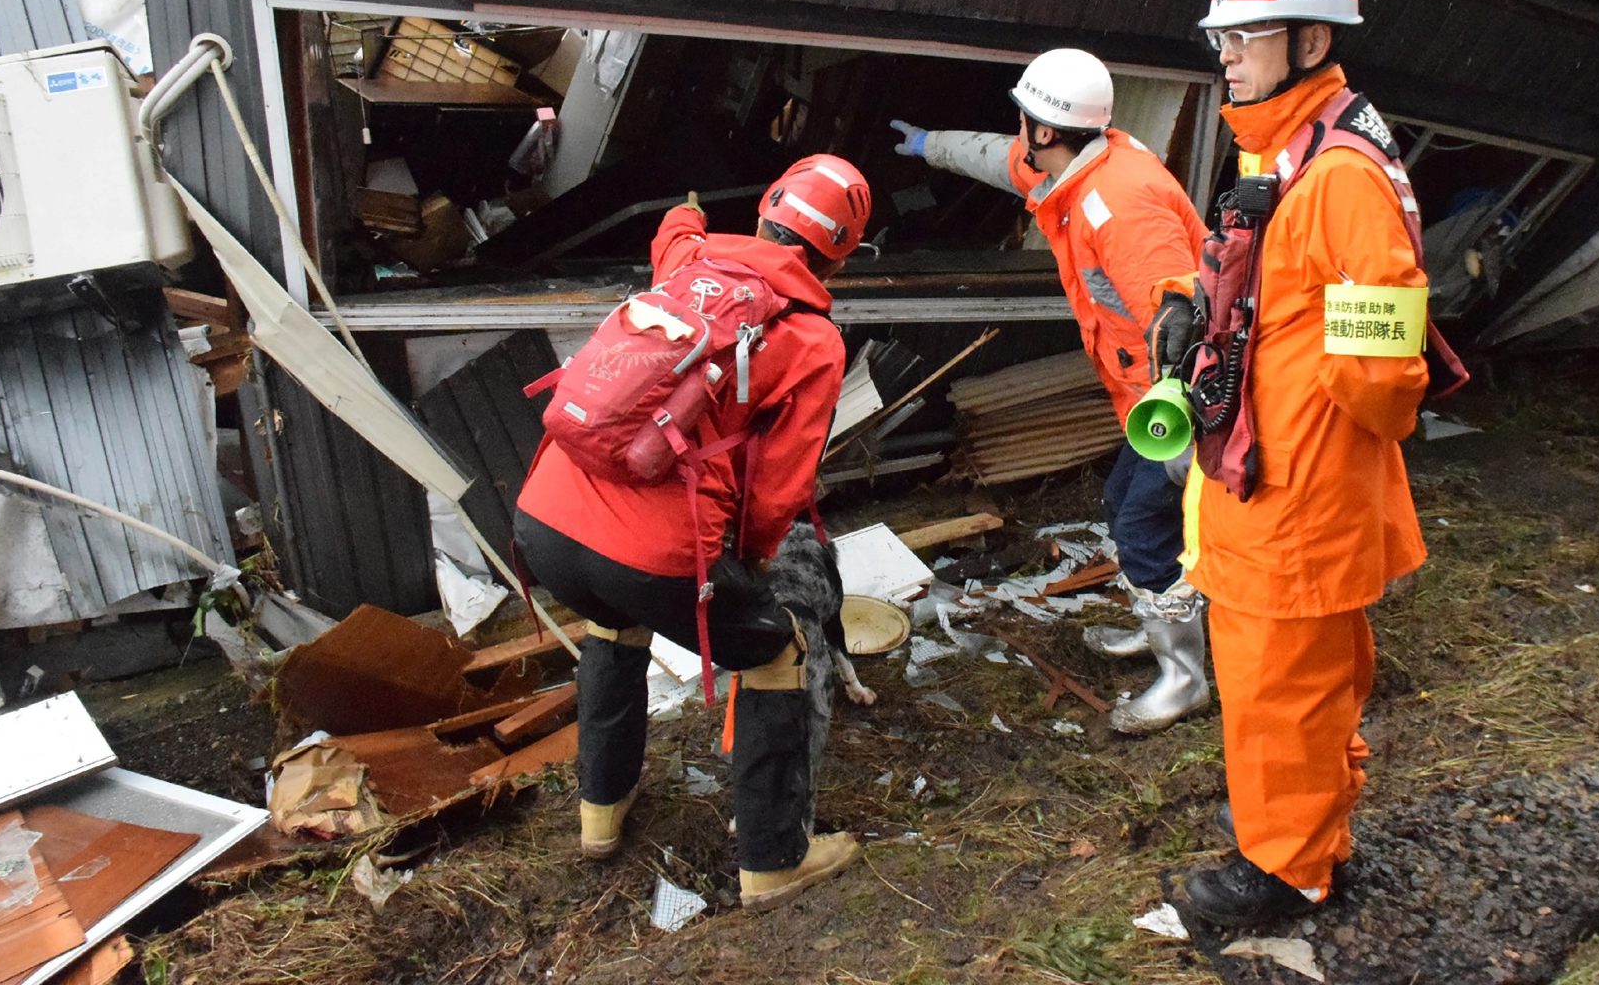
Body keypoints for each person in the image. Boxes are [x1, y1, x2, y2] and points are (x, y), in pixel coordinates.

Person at [1150, 0, 1448, 927]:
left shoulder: (1337, 176)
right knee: (1287, 687)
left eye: (1247, 36)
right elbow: (1274, 292)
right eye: (1222, 36)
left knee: (1284, 691)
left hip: (1296, 497)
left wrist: (1311, 432)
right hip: (1272, 485)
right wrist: (1192, 307)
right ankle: (1303, 824)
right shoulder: (1293, 150)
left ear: (1311, 40)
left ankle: (1290, 872)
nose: (1226, 54)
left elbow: (1385, 373)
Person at [511, 154, 872, 911]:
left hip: (544, 523)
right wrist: (753, 566)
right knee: (776, 650)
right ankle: (773, 861)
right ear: (839, 257)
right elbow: (780, 490)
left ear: (766, 212)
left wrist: (690, 208)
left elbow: (673, 230)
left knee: (612, 624)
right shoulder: (811, 340)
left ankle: (600, 817)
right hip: (652, 557)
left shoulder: (689, 263)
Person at [891, 50, 1211, 734]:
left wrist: (1185, 444)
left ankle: (1185, 679)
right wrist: (928, 145)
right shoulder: (1071, 164)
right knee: (1125, 504)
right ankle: (1161, 619)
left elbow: (1187, 325)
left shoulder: (1119, 207)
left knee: (1142, 524)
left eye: (1024, 120)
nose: (1018, 132)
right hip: (1143, 398)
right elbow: (996, 158)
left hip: (1178, 404)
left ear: (1044, 130)